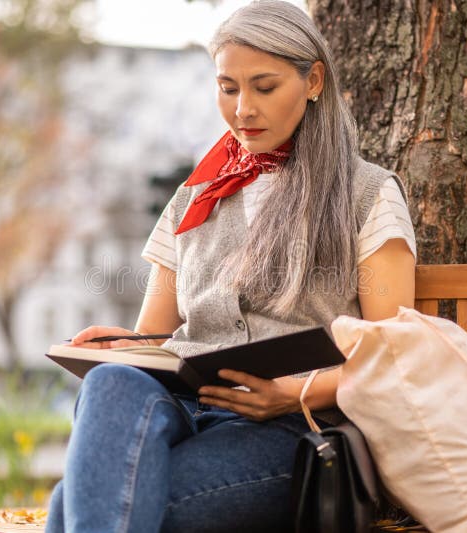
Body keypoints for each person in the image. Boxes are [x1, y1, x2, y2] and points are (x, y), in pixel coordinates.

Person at [45, 1, 416, 531]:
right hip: (185, 410)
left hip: (295, 430)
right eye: (228, 88)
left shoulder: (367, 194)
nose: (243, 108)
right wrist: (125, 346)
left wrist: (295, 392)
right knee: (110, 382)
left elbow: (397, 352)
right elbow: (158, 336)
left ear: (313, 81)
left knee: (77, 506)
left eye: (264, 88)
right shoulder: (193, 196)